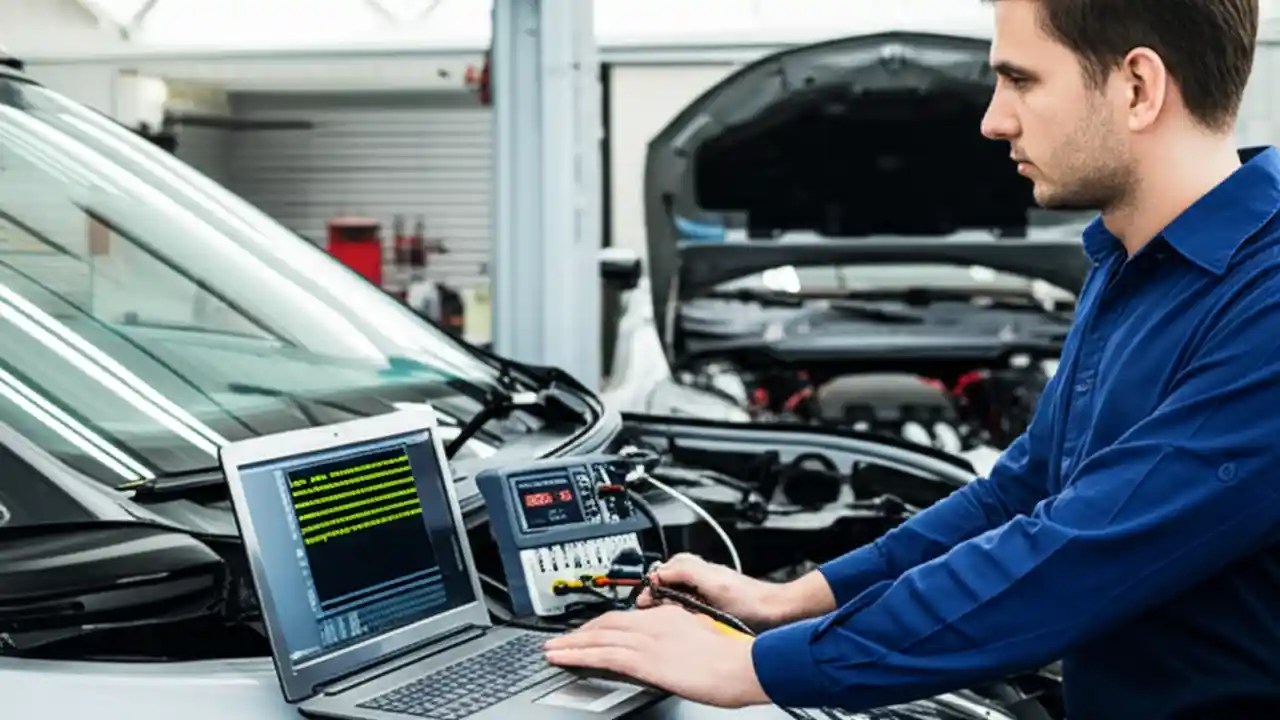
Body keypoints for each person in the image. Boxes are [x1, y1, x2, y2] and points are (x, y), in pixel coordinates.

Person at [543, 0, 1280, 717]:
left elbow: (1080, 553)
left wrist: (753, 669)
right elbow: (1019, 491)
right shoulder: (1130, 265)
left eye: (1021, 80)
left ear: (1138, 88)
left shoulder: (1266, 302)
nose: (994, 120)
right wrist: (792, 600)